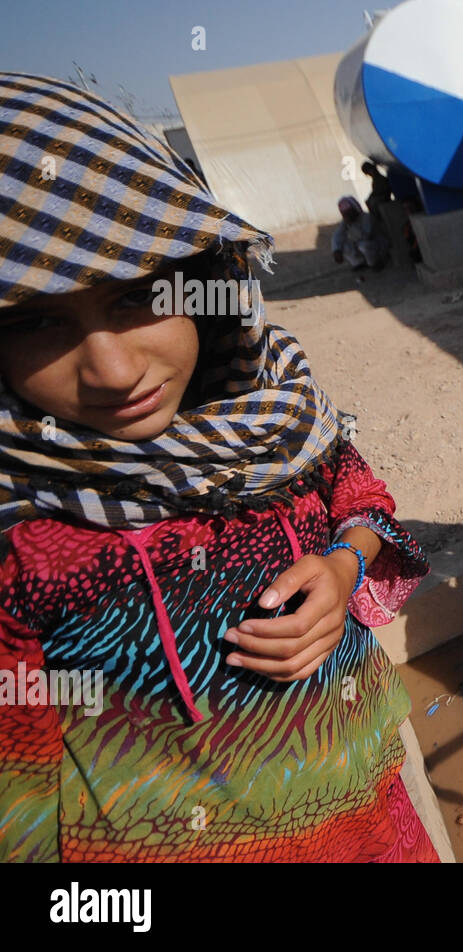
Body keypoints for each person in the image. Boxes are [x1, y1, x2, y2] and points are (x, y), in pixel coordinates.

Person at [0, 74, 435, 862]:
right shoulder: (21, 530)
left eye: (138, 299)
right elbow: (18, 811)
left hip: (374, 807)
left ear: (202, 284)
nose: (111, 370)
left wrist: (342, 570)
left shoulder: (277, 413)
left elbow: (362, 499)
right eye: (37, 322)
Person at [332, 195, 388, 271]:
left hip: (377, 246)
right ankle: (359, 263)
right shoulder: (345, 222)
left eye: (349, 212)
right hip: (360, 244)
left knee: (364, 245)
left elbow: (365, 236)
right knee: (343, 245)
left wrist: (351, 227)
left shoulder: (366, 218)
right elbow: (337, 236)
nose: (347, 215)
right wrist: (336, 250)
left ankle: (375, 263)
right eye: (344, 214)